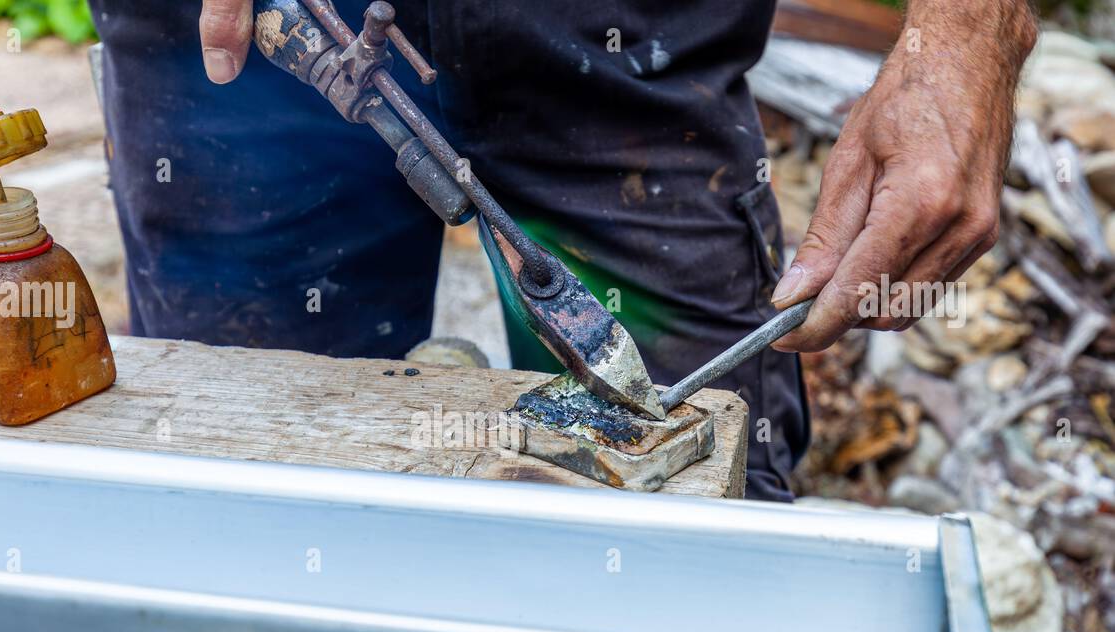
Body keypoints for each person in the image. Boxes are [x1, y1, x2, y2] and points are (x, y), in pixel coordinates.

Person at [88, 0, 1037, 501]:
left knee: (702, 525)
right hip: (255, 37)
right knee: (235, 491)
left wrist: (967, 26)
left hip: (618, 27)